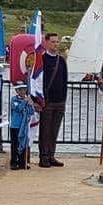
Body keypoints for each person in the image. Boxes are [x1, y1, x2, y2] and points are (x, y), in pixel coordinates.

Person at [39, 32, 68, 168]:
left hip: (60, 101)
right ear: (46, 42)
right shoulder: (42, 59)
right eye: (53, 42)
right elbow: (38, 80)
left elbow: (65, 80)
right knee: (45, 130)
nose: (56, 44)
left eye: (57, 42)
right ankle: (44, 156)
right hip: (47, 101)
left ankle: (51, 155)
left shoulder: (61, 60)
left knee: (54, 130)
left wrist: (64, 99)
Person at [9, 82, 31, 170]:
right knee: (15, 144)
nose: (23, 91)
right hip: (15, 126)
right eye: (20, 89)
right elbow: (18, 109)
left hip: (24, 126)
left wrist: (30, 104)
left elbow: (31, 112)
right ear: (17, 91)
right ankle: (14, 162)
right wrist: (24, 102)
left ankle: (23, 162)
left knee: (24, 144)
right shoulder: (14, 99)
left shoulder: (27, 99)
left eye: (24, 89)